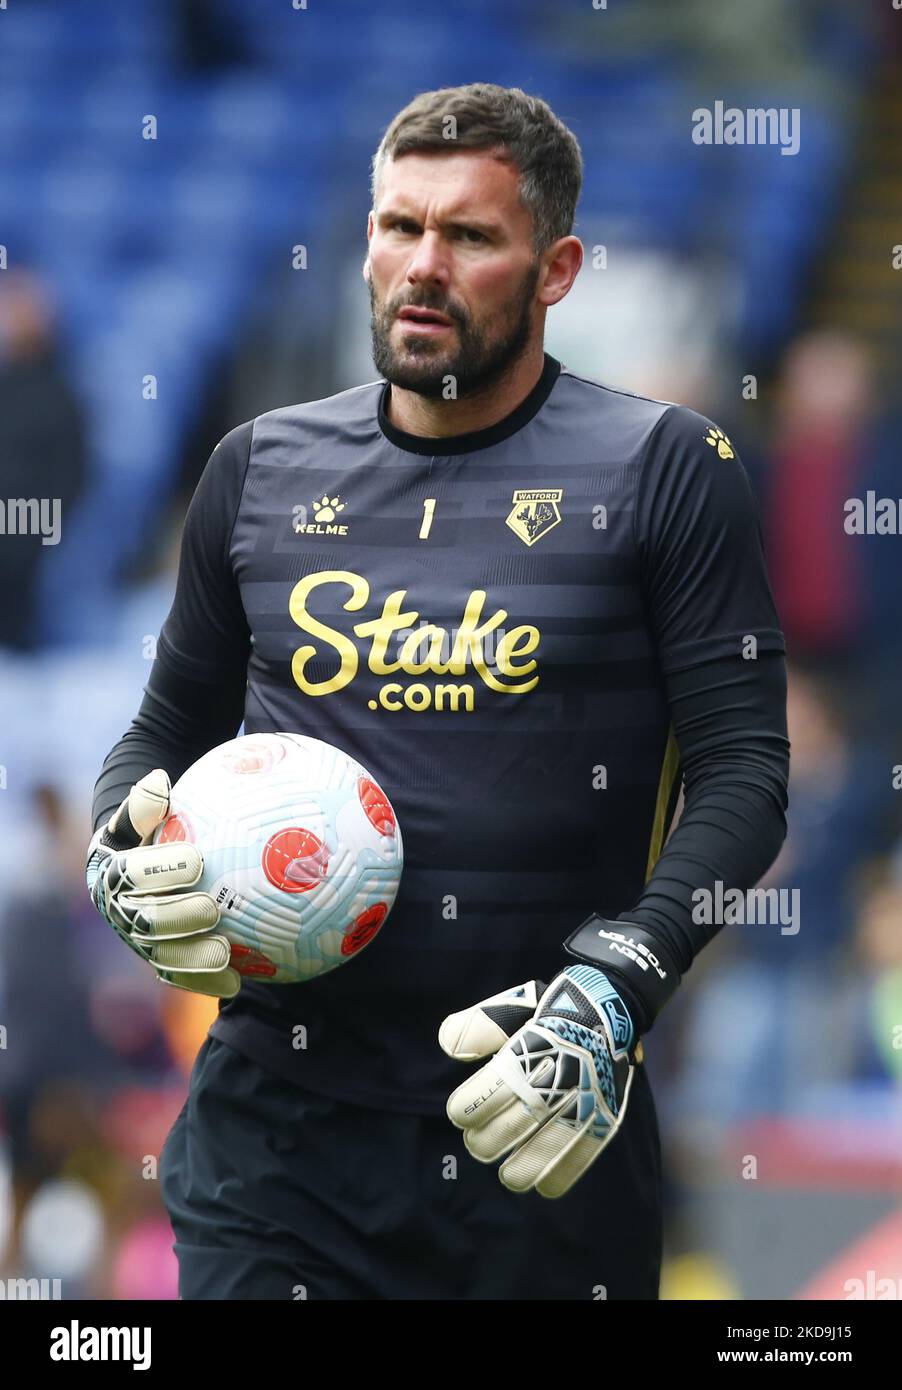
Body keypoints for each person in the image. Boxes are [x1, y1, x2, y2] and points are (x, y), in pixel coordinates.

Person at [86, 83, 789, 1300]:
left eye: (469, 235)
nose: (422, 264)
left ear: (555, 267)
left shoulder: (663, 468)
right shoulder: (254, 470)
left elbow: (746, 776)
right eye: (397, 226)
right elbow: (159, 735)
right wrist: (116, 850)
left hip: (537, 1132)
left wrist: (617, 984)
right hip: (274, 1146)